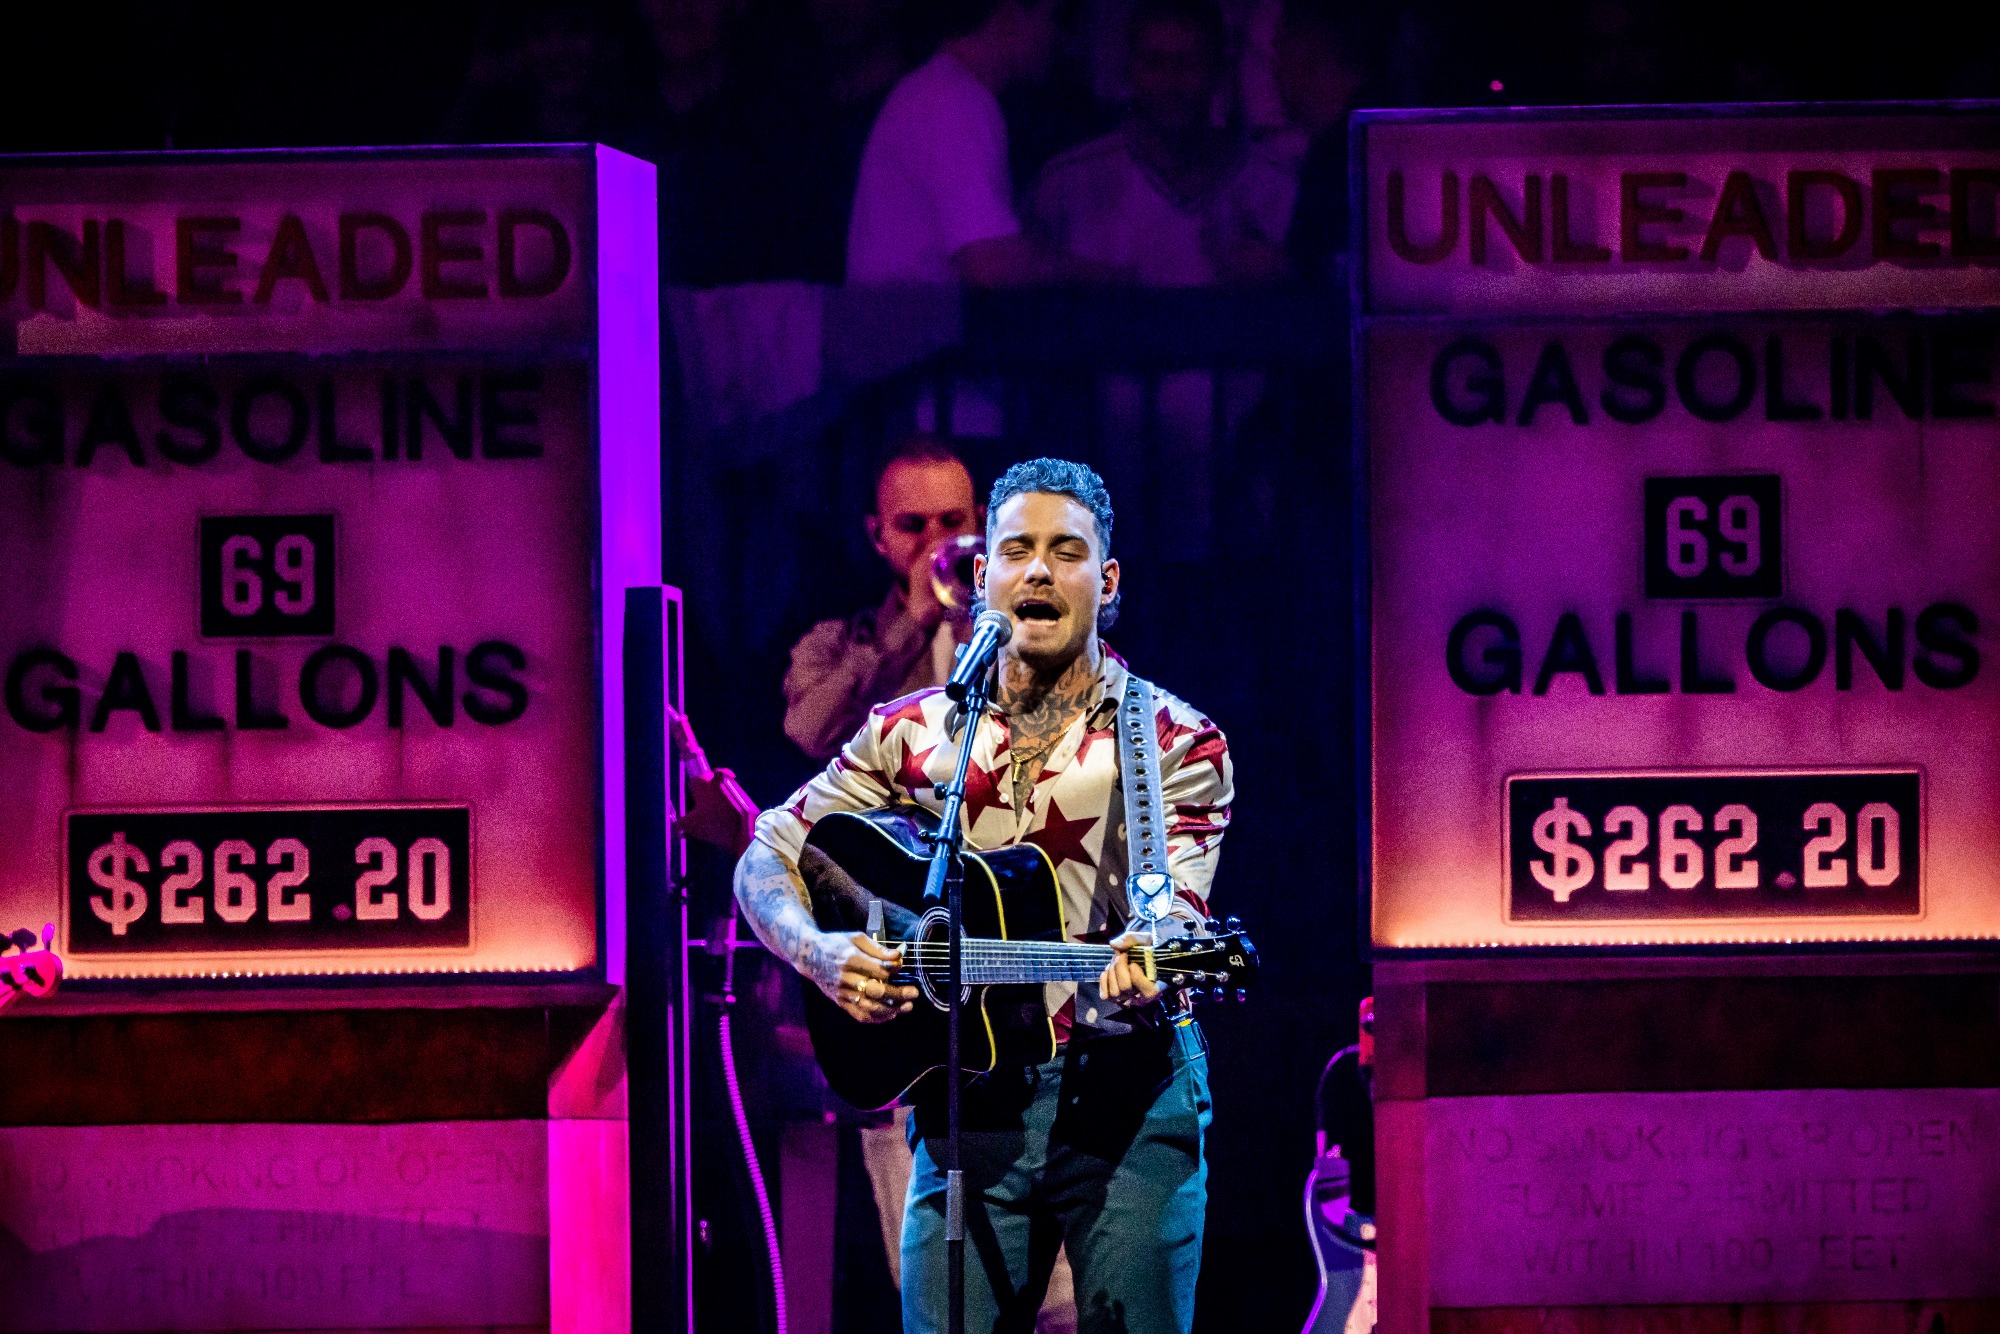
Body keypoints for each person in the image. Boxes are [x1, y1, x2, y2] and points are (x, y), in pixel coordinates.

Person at [737, 458, 1234, 1334]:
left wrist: (1153, 955)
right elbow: (766, 855)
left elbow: (1175, 908)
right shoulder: (916, 730)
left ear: (1107, 581)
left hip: (1122, 1097)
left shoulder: (1174, 740)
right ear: (984, 577)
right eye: (1016, 551)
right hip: (964, 1100)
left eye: (1066, 552)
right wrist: (823, 954)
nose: (1038, 571)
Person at [846, 0, 1116, 288]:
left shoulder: (941, 92)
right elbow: (989, 264)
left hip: (900, 326)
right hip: (911, 330)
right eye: (1053, 17)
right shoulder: (953, 100)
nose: (1059, 37)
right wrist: (1109, 279)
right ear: (1010, 14)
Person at [1031, 0, 1295, 286]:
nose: (1170, 81)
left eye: (1189, 63)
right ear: (1128, 69)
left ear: (1217, 70)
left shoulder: (1276, 185)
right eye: (1154, 62)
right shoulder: (1067, 185)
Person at [784, 438, 984, 762]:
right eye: (912, 525)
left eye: (952, 521)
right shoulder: (834, 643)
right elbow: (811, 733)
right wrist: (908, 628)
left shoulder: (1016, 626)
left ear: (979, 522)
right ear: (879, 535)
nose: (935, 541)